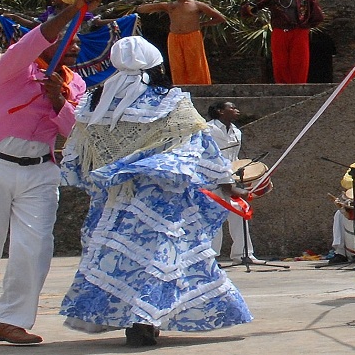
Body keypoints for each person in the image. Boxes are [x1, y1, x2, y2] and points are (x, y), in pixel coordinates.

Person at [58, 37, 253, 346]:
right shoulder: (170, 101)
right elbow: (201, 147)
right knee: (158, 258)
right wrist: (230, 186)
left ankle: (139, 320)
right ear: (156, 64)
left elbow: (80, 152)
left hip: (114, 200)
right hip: (160, 200)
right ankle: (144, 321)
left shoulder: (95, 102)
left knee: (119, 259)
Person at [0, 0, 103, 346]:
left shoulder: (76, 84)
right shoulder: (12, 68)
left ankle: (10, 321)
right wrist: (74, 10)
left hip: (41, 169)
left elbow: (76, 133)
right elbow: (36, 38)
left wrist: (60, 103)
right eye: (68, 39)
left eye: (78, 41)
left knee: (34, 246)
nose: (75, 46)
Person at [134, 0, 226, 86]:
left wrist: (203, 24)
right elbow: (142, 9)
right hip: (174, 37)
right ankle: (180, 85)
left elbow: (220, 18)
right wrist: (149, 4)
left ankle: (199, 85)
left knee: (194, 63)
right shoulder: (170, 6)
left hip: (192, 36)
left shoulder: (197, 5)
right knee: (177, 63)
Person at [247, 0, 326, 84]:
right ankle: (282, 85)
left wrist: (306, 26)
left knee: (300, 60)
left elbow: (318, 15)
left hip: (299, 32)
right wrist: (253, 7)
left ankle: (299, 84)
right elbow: (251, 7)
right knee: (280, 61)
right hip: (280, 31)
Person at [206, 102, 249, 264]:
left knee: (240, 213)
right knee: (215, 217)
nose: (237, 110)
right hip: (212, 181)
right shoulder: (208, 130)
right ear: (220, 111)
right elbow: (210, 158)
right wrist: (224, 180)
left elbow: (234, 159)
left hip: (231, 179)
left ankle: (243, 253)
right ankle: (211, 258)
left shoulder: (236, 132)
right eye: (232, 107)